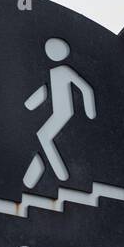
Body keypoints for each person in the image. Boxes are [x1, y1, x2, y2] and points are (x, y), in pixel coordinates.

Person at [22, 38, 96, 189]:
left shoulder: (65, 70)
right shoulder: (53, 72)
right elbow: (45, 91)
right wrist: (30, 104)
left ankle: (60, 173)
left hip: (63, 111)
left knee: (44, 136)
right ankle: (43, 171)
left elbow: (84, 88)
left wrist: (90, 111)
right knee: (44, 137)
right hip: (58, 112)